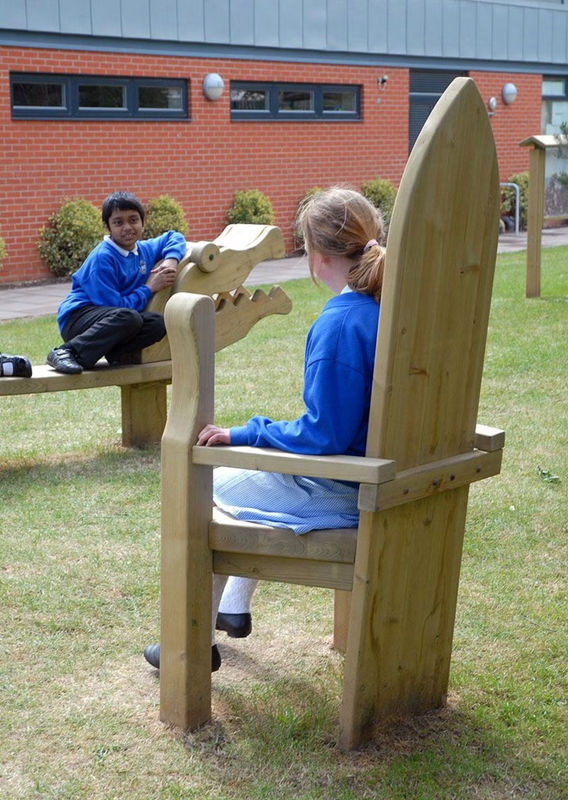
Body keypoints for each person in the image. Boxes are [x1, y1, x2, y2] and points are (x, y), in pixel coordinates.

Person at [143, 186, 387, 672]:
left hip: (346, 493)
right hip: (390, 476)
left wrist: (244, 434)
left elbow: (324, 438)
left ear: (315, 256)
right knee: (243, 483)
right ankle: (233, 607)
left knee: (205, 484)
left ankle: (191, 648)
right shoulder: (392, 307)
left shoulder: (340, 324)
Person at [46, 191, 186, 374]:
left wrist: (171, 260)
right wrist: (149, 288)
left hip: (113, 321)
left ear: (143, 222)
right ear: (108, 227)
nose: (127, 227)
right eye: (118, 222)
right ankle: (67, 351)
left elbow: (173, 237)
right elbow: (113, 306)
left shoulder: (144, 249)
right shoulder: (102, 258)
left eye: (133, 220)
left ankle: (116, 354)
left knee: (158, 323)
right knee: (129, 317)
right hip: (79, 318)